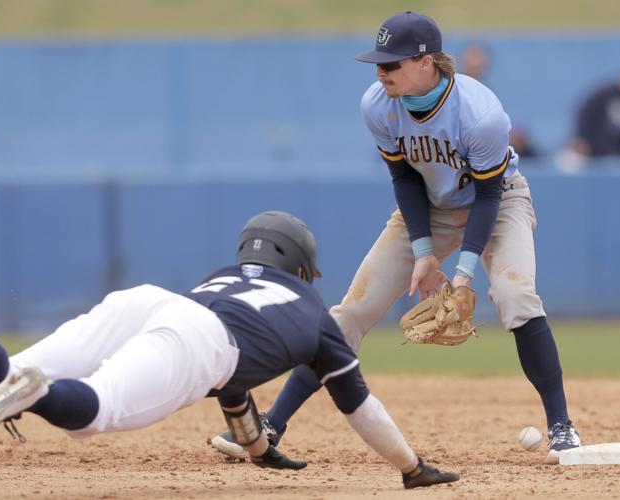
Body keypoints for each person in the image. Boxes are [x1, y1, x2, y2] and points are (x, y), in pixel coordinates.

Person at [212, 11, 581, 465]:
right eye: (378, 63)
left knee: (516, 295)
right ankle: (272, 423)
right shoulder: (377, 105)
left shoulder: (480, 115)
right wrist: (424, 253)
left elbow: (487, 196)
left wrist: (463, 274)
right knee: (350, 312)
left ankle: (562, 424)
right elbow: (404, 178)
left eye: (391, 64)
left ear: (426, 63)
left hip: (499, 202)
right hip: (428, 207)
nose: (380, 72)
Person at [0, 210, 459, 489]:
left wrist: (260, 451)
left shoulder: (224, 277)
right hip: (199, 338)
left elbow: (234, 395)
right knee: (94, 410)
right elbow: (360, 407)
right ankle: (39, 394)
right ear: (303, 267)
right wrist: (411, 467)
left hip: (150, 302)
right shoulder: (315, 316)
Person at [570, 61, 620, 158]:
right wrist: (582, 138)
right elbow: (583, 113)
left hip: (610, 156)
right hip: (590, 153)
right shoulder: (605, 94)